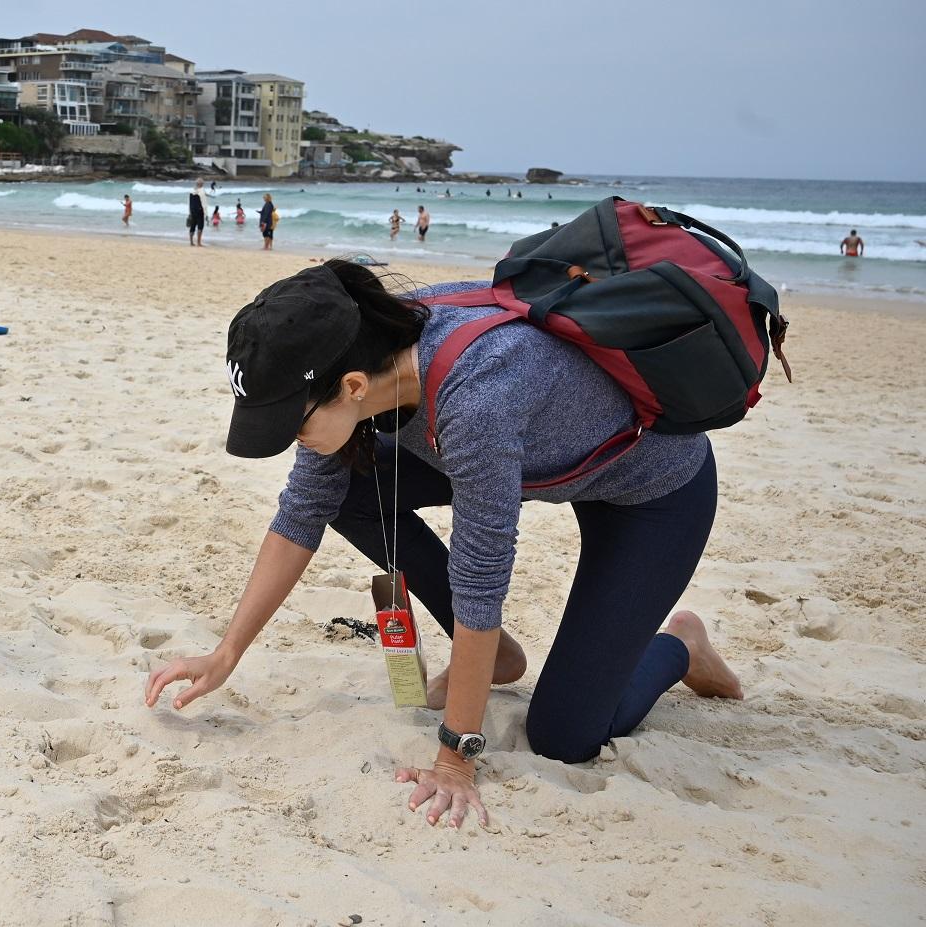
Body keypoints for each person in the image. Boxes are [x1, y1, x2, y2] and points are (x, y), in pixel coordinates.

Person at [145, 260, 742, 827]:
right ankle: (497, 656)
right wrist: (225, 654)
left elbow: (482, 581)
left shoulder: (475, 400)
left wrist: (456, 756)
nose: (292, 441)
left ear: (352, 386)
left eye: (294, 424)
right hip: (546, 457)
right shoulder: (357, 348)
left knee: (566, 737)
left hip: (653, 491)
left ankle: (681, 646)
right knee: (345, 488)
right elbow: (300, 515)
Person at [188, 181, 206, 247]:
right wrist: (205, 212)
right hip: (199, 210)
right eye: (202, 184)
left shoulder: (191, 192)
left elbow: (190, 202)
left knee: (192, 226)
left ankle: (191, 242)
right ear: (200, 184)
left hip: (193, 211)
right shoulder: (201, 192)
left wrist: (190, 212)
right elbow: (203, 203)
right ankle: (199, 243)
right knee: (200, 226)